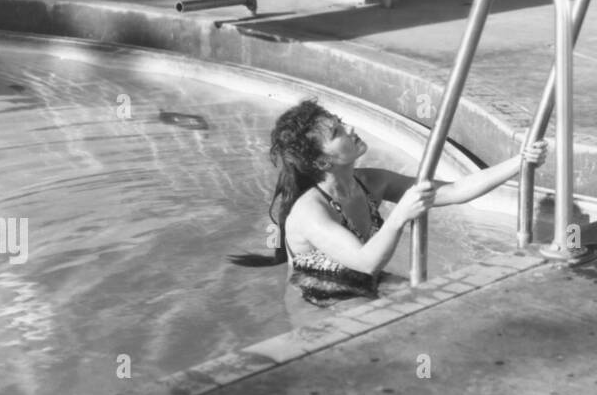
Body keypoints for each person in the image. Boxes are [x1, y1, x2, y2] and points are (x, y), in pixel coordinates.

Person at [231, 98, 547, 303]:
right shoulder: (311, 212)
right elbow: (367, 261)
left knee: (443, 304)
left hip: (365, 283)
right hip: (319, 301)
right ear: (323, 163)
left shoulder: (371, 182)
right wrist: (400, 216)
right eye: (338, 132)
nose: (351, 129)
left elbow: (453, 191)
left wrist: (520, 161)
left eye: (341, 122)